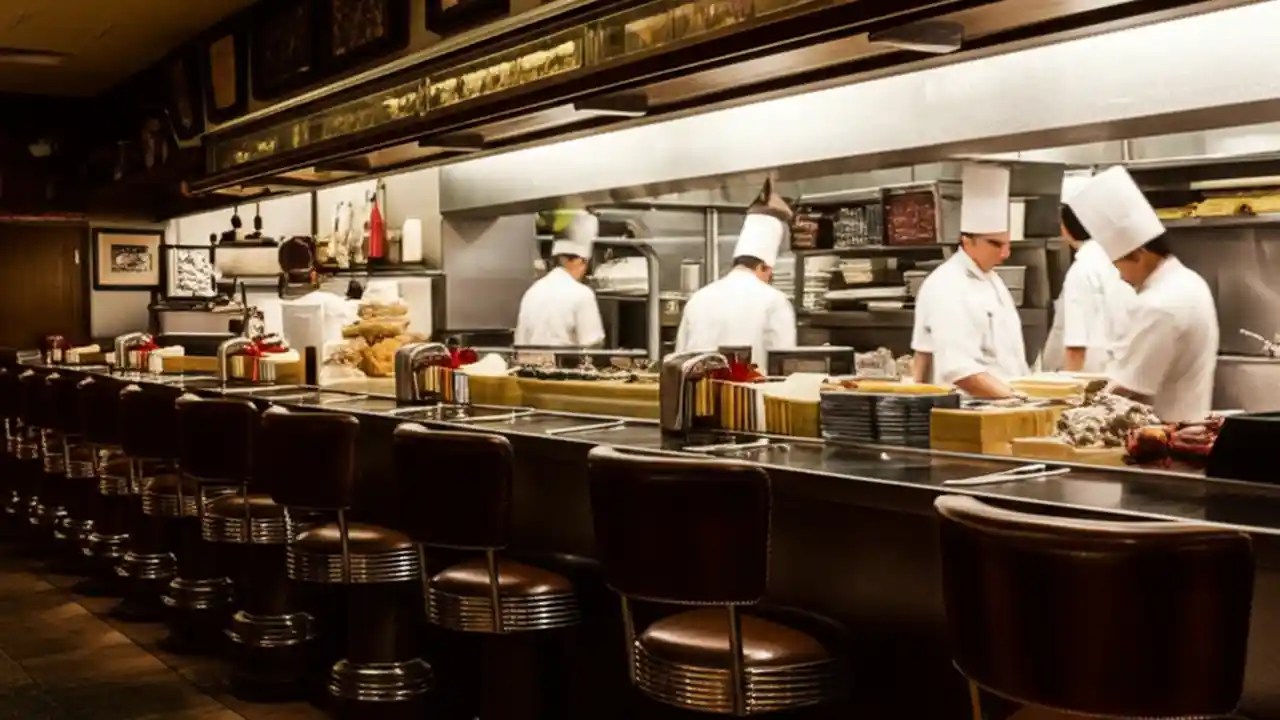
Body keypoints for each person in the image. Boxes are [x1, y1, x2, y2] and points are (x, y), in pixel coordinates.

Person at [1068, 166, 1218, 422]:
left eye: (1118, 265)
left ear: (1139, 254)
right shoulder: (1191, 282)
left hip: (1162, 440)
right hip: (1189, 427)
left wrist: (1076, 415)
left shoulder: (1159, 304)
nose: (1120, 276)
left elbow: (1128, 389)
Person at [911, 163, 1028, 397]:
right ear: (967, 241)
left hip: (1007, 405)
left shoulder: (994, 280)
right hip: (971, 411)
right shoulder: (947, 286)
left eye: (1008, 244)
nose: (1005, 254)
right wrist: (1016, 399)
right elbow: (960, 371)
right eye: (995, 244)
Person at [676, 178, 797, 368]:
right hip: (751, 397)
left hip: (699, 397)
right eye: (769, 274)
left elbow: (678, 363)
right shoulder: (774, 302)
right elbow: (786, 367)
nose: (769, 279)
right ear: (764, 266)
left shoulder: (699, 298)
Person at [1042, 173, 1137, 373]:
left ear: (1065, 226)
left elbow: (1076, 347)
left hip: (1086, 382)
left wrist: (1069, 394)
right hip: (1117, 375)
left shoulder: (1082, 270)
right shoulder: (1117, 262)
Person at [514, 212, 606, 347]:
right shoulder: (582, 294)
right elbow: (593, 344)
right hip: (566, 366)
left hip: (530, 366)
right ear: (579, 260)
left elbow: (520, 342)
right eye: (585, 263)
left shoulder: (532, 292)